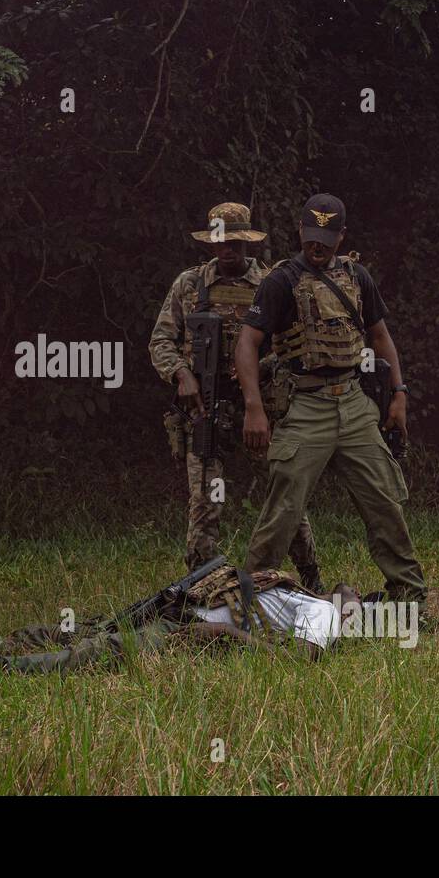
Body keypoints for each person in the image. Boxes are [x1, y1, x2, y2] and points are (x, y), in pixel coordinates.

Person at [235, 194, 439, 627]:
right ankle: (247, 605)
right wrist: (253, 408)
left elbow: (380, 336)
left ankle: (411, 605)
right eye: (312, 238)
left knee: (384, 501)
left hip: (353, 403)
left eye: (328, 240)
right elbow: (247, 343)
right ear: (300, 232)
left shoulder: (356, 276)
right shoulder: (281, 281)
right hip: (306, 404)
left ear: (342, 237)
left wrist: (400, 393)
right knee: (283, 508)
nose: (319, 247)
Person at [149, 201, 323, 592]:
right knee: (206, 505)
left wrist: (259, 375)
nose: (227, 249)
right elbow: (161, 339)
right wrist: (181, 374)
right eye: (220, 242)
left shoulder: (272, 285)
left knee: (285, 496)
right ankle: (205, 589)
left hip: (259, 409)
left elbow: (293, 344)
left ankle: (310, 578)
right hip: (205, 410)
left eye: (235, 242)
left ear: (249, 244)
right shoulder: (190, 285)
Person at [0, 562, 360, 672]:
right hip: (177, 608)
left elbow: (303, 659)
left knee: (99, 649)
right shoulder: (290, 587)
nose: (349, 600)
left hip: (190, 629)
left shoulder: (324, 613)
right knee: (82, 628)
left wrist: (225, 632)